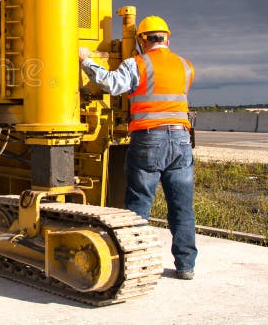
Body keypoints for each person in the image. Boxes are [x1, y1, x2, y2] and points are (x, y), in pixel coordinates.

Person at [78, 15, 197, 280]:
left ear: (142, 40)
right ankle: (186, 265)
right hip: (181, 140)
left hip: (149, 139)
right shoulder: (185, 66)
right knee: (182, 207)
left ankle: (134, 262)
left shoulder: (138, 63)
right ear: (167, 39)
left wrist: (86, 61)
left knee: (139, 204)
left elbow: (111, 84)